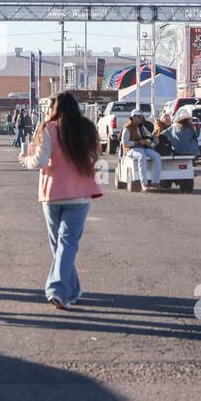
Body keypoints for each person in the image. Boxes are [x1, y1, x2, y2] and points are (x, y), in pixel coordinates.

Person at [18, 90, 102, 310]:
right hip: (80, 194)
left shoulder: (49, 129)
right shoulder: (87, 128)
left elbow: (41, 160)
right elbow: (95, 156)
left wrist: (25, 160)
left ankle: (57, 289)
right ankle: (71, 290)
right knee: (67, 244)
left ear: (54, 109)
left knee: (59, 245)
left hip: (52, 193)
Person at [120, 111, 162, 193]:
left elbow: (149, 135)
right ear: (133, 117)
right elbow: (125, 143)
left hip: (143, 148)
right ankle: (144, 185)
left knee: (157, 156)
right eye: (139, 117)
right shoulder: (127, 128)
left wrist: (155, 139)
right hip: (132, 149)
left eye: (141, 117)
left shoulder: (141, 127)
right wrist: (138, 142)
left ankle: (155, 182)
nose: (141, 118)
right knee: (141, 156)